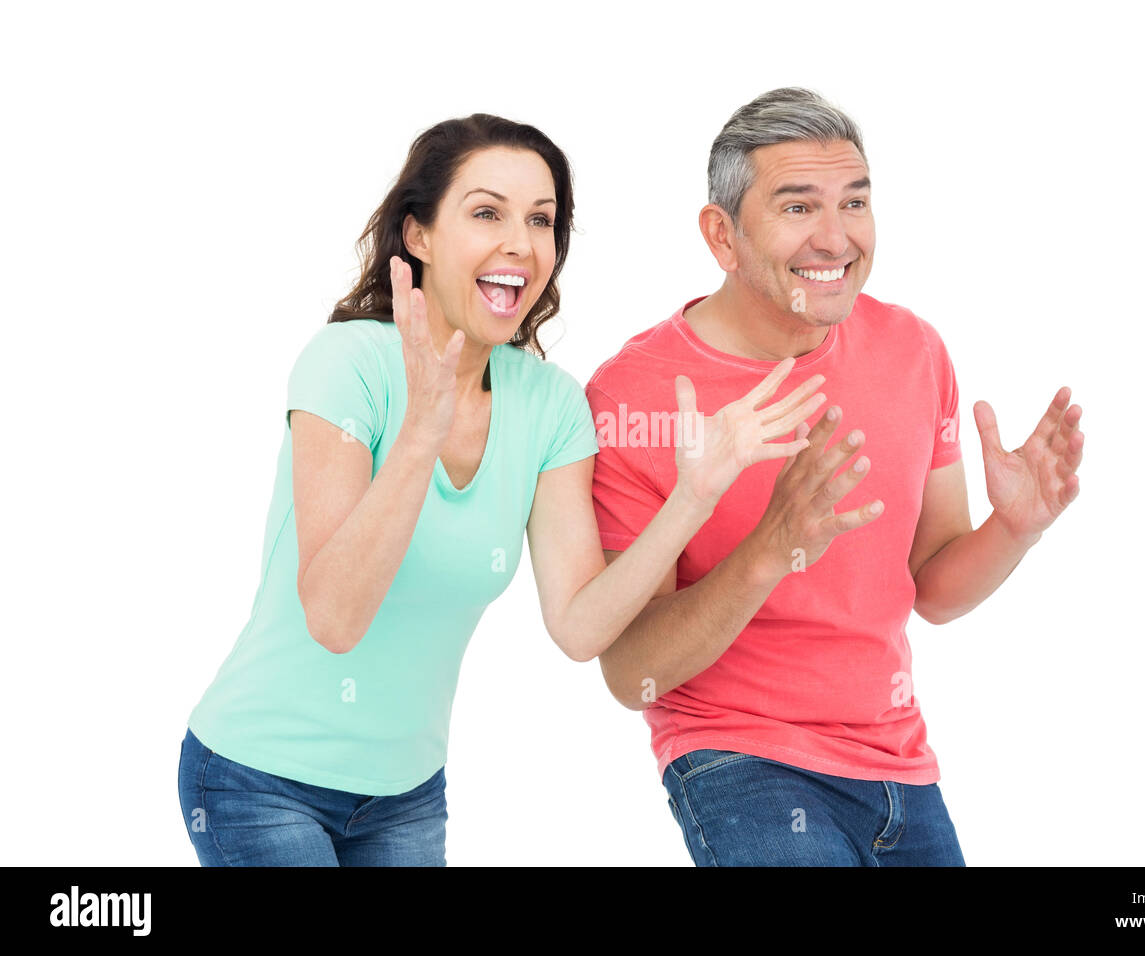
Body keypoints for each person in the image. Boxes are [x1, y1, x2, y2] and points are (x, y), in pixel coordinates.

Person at [177, 113, 828, 866]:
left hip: (406, 795)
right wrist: (421, 432)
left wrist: (693, 498)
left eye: (541, 220)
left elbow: (581, 628)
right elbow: (333, 618)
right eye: (487, 212)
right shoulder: (344, 364)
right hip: (257, 779)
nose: (521, 242)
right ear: (418, 235)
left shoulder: (549, 405)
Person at [587, 88, 1085, 866]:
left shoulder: (912, 350)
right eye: (797, 207)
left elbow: (934, 588)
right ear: (722, 236)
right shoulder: (635, 394)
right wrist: (770, 545)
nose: (836, 236)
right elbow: (630, 672)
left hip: (900, 767)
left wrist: (1016, 529)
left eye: (855, 202)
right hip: (739, 757)